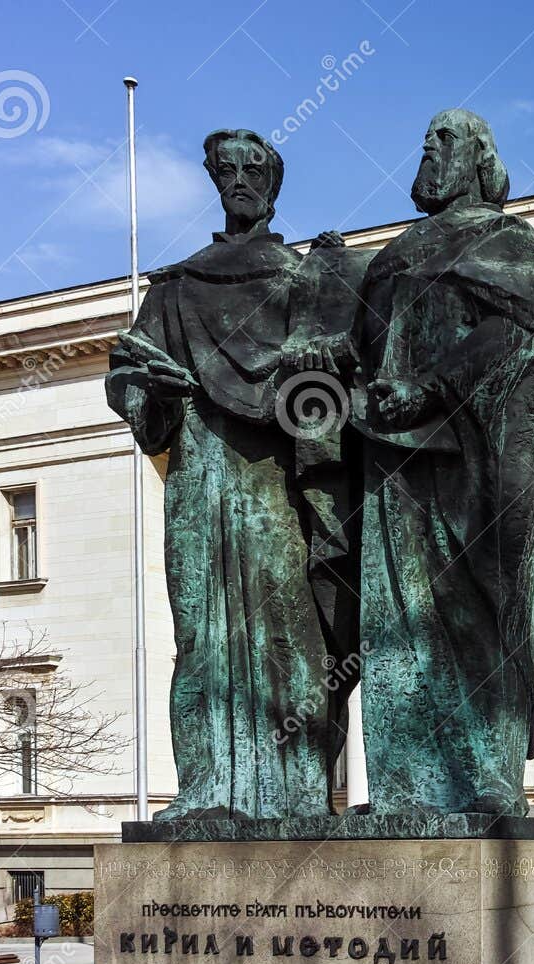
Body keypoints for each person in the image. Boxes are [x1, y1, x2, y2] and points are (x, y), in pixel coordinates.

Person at [105, 128, 367, 820]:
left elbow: (333, 381)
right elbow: (130, 381)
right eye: (229, 170)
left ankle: (296, 799)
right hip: (200, 480)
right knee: (203, 637)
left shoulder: (304, 279)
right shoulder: (176, 288)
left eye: (255, 170)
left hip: (278, 486)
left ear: (273, 187)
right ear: (215, 183)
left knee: (291, 636)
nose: (242, 180)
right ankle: (205, 791)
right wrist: (151, 390)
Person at [334, 108, 534, 815]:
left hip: (469, 455)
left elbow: (526, 337)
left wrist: (431, 384)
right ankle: (405, 786)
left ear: (478, 159)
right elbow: (361, 342)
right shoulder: (393, 257)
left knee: (474, 609)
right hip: (393, 460)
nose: (430, 148)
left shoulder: (510, 242)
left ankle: (483, 780)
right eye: (427, 139)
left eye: (446, 140)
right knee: (399, 620)